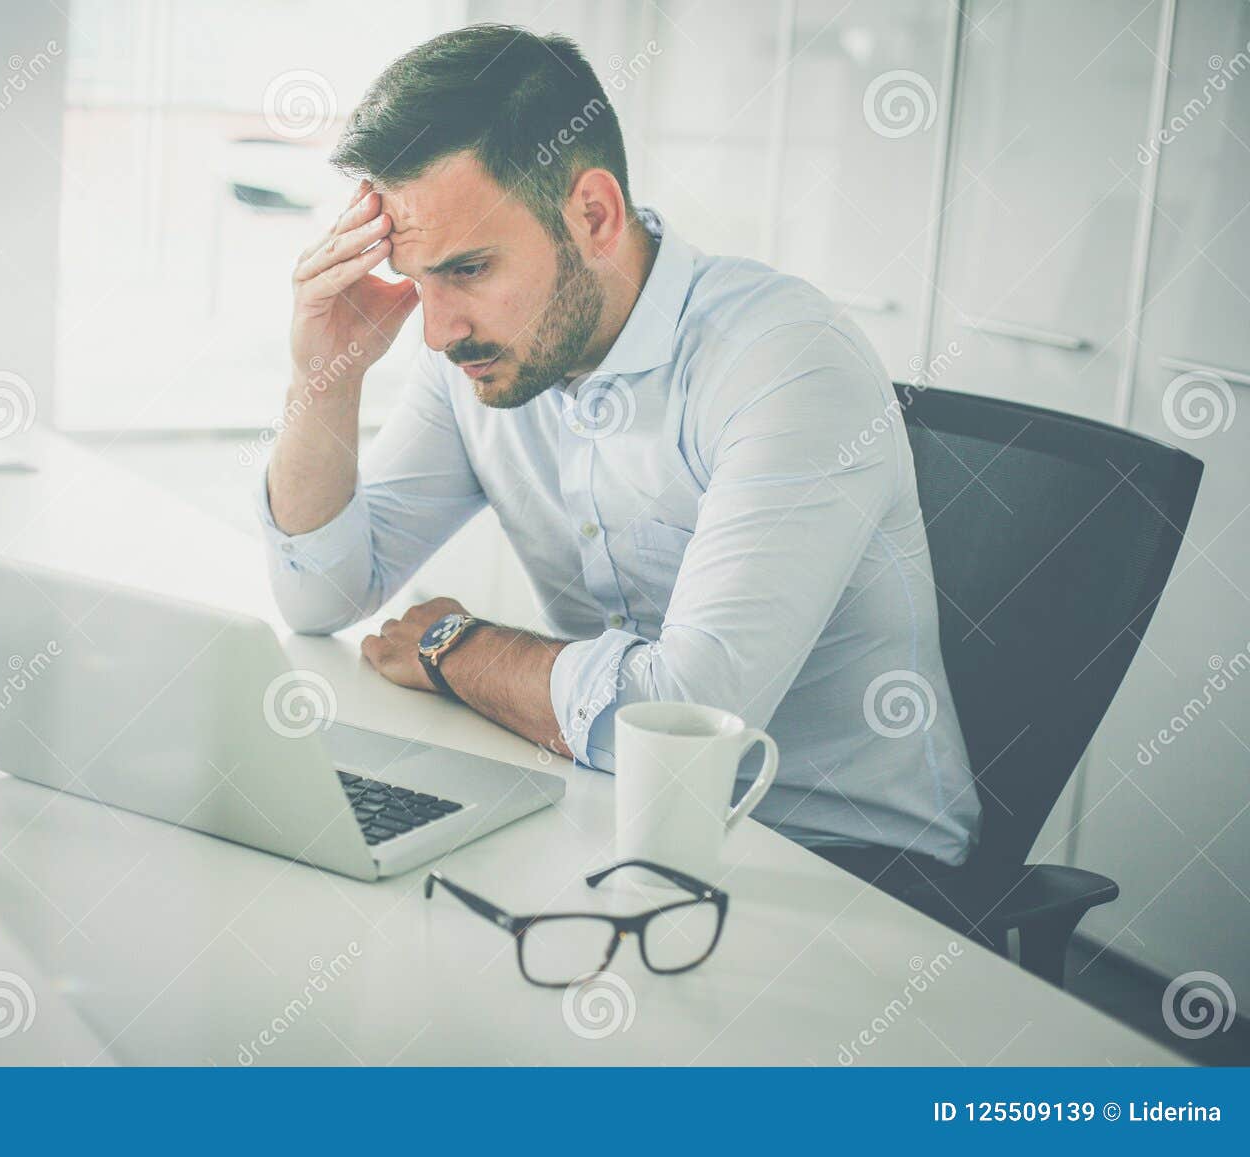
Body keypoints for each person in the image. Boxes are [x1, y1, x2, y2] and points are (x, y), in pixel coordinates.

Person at [256, 24, 980, 881]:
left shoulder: (784, 359)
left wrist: (456, 645)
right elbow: (318, 596)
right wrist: (323, 376)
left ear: (593, 215)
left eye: (470, 269)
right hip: (616, 817)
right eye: (418, 282)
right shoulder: (480, 358)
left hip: (848, 865)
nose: (438, 329)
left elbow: (682, 720)